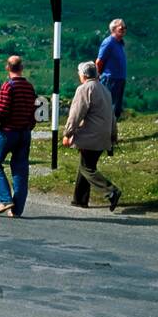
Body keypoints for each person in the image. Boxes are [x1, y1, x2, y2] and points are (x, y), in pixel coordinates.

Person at [63, 61, 121, 211]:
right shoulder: (105, 90)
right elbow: (112, 116)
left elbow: (76, 114)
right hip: (104, 135)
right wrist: (113, 135)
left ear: (83, 75)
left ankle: (111, 190)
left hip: (91, 135)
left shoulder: (84, 89)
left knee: (86, 168)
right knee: (87, 165)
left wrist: (67, 133)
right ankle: (79, 199)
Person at [0, 55, 37, 217]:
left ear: (7, 68)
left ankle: (5, 199)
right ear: (22, 68)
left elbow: (3, 110)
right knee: (20, 170)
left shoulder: (8, 86)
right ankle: (17, 210)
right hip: (24, 132)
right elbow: (32, 110)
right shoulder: (29, 87)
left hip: (7, 132)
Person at [96, 18, 127, 156]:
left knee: (116, 109)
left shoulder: (119, 43)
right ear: (114, 29)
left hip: (119, 79)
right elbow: (99, 61)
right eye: (121, 28)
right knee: (108, 109)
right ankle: (105, 138)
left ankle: (110, 136)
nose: (124, 30)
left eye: (124, 28)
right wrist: (100, 75)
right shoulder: (108, 42)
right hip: (110, 79)